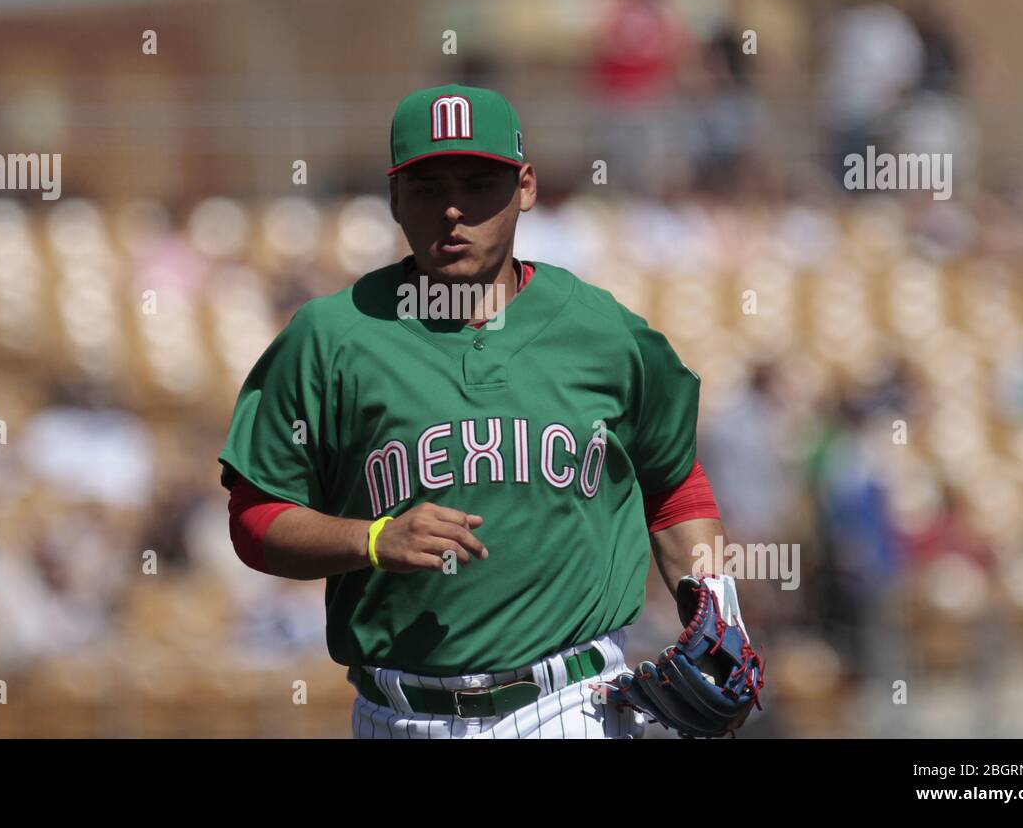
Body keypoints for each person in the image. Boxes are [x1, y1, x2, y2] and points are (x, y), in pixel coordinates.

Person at [216, 84, 754, 739]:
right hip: (397, 715)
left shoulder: (601, 333)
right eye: (426, 188)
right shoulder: (329, 339)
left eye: (478, 185)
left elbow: (671, 480)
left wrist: (716, 607)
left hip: (571, 705)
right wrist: (373, 539)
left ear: (525, 186)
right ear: (392, 198)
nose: (453, 211)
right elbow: (255, 518)